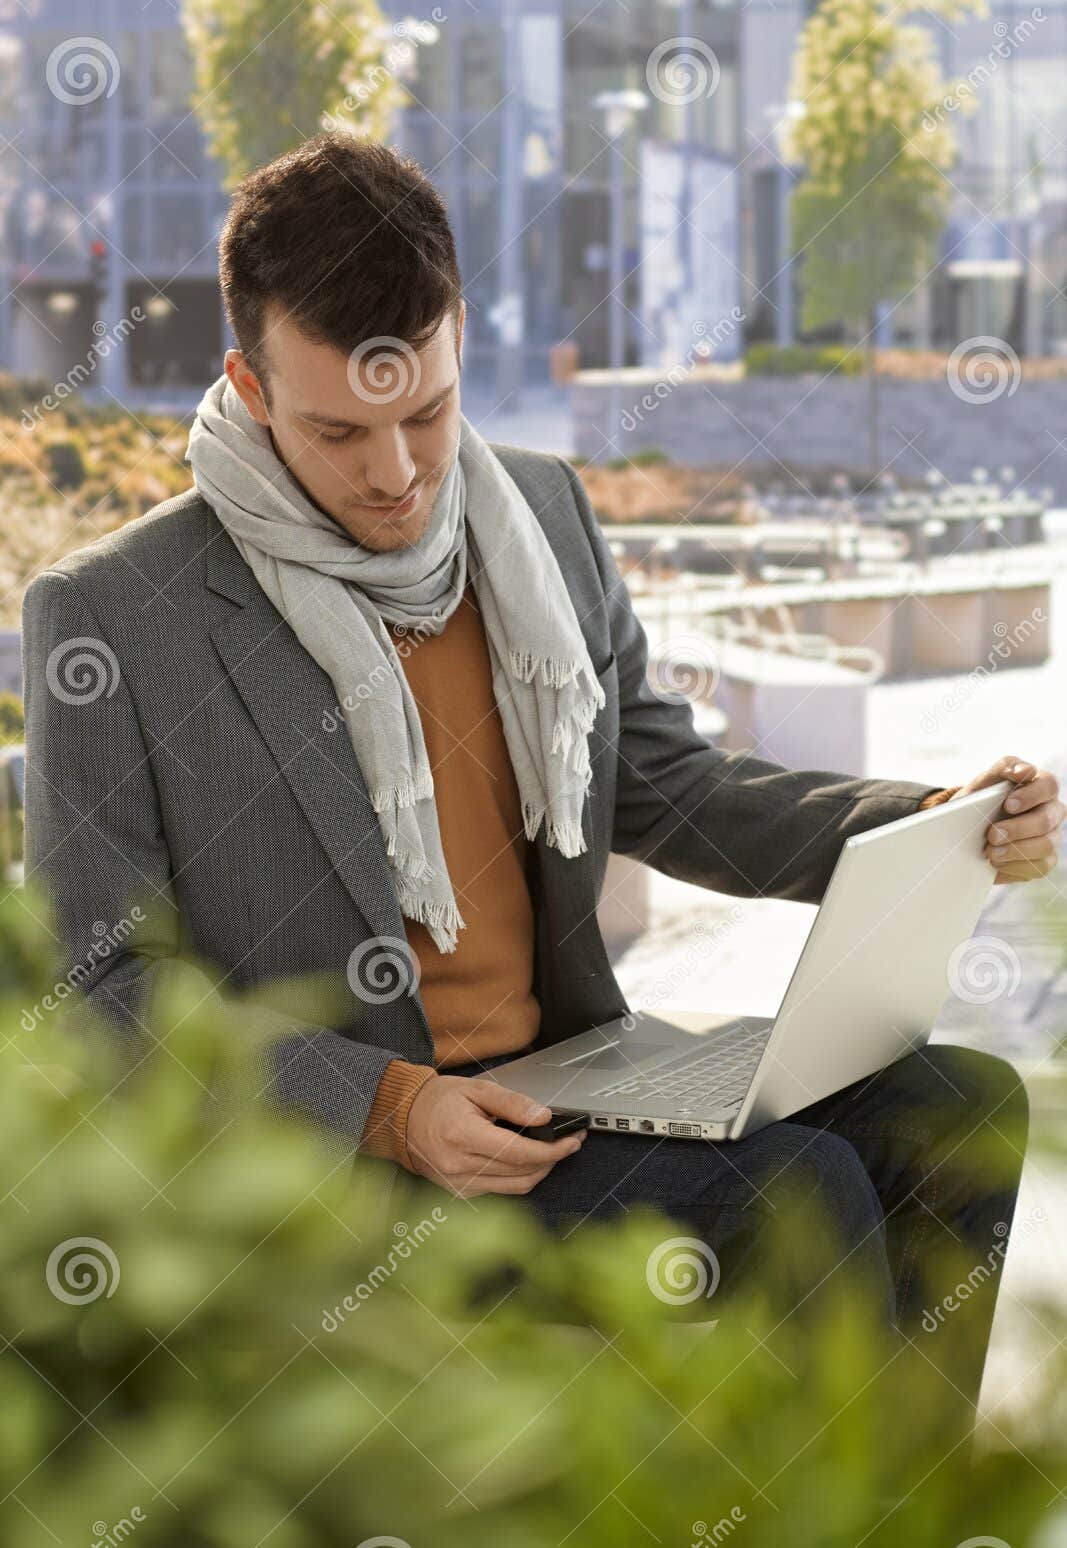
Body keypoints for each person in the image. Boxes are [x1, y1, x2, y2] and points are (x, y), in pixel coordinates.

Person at [22, 135, 1062, 1424]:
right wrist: (388, 1105)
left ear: (456, 340)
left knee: (965, 1109)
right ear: (248, 382)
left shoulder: (543, 516)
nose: (397, 475)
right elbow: (96, 985)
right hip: (352, 1148)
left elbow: (660, 783)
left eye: (429, 412)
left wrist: (926, 818)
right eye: (340, 431)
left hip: (572, 1074)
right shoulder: (115, 616)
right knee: (800, 1195)